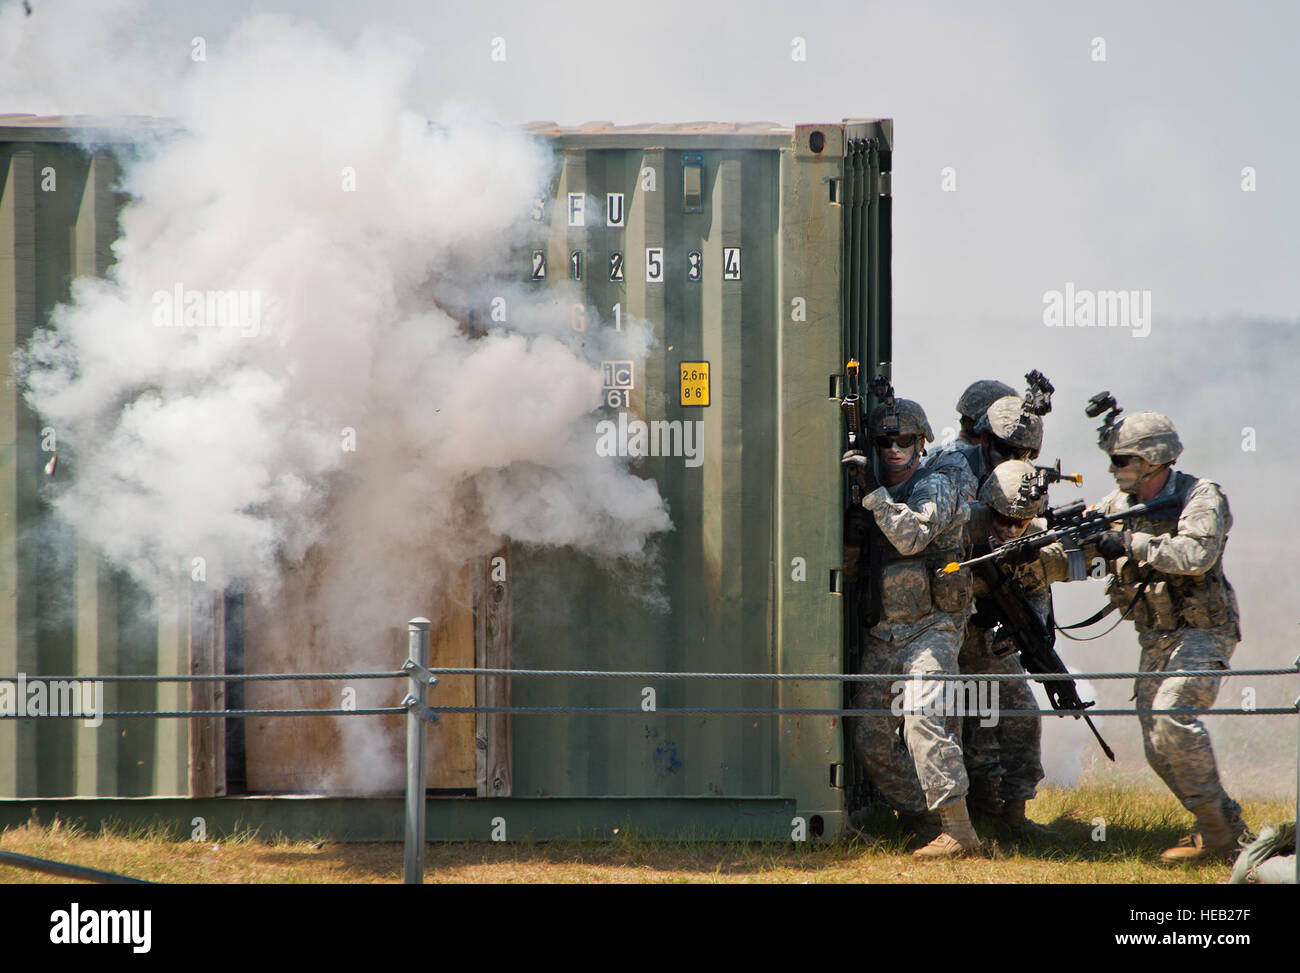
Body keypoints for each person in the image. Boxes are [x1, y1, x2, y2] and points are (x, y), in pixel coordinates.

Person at [1051, 411, 1249, 863]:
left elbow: (1196, 554)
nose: (1113, 468)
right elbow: (1076, 556)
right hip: (1156, 635)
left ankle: (1220, 833)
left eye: (1122, 459)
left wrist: (1131, 545)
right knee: (1158, 743)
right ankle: (1221, 827)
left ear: (1153, 459)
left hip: (1203, 630)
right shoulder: (1116, 506)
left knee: (1173, 716)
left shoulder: (1201, 496)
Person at [841, 398, 979, 859]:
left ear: (921, 442)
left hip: (932, 627)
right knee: (869, 735)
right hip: (885, 630)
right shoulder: (877, 489)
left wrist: (872, 494)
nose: (896, 449)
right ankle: (922, 818)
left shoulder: (935, 483)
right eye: (885, 441)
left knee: (923, 716)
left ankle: (959, 832)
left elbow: (912, 535)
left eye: (905, 440)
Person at [960, 460, 1057, 838]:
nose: (1012, 528)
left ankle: (1014, 816)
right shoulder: (963, 526)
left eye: (1021, 521)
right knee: (970, 726)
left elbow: (1038, 596)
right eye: (1003, 519)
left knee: (1023, 717)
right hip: (953, 641)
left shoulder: (1034, 539)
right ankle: (976, 813)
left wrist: (1026, 632)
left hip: (995, 648)